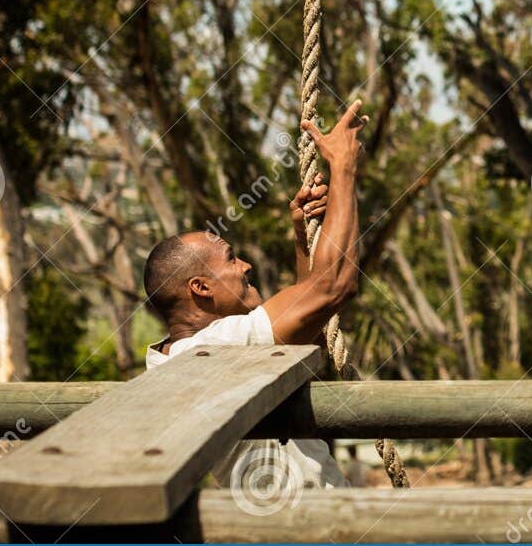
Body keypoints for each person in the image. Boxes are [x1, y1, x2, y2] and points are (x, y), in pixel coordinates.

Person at [141, 101, 372, 495]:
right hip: (308, 540)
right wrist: (344, 168)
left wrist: (303, 240)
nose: (245, 265)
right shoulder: (211, 350)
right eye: (232, 258)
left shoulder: (174, 356)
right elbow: (335, 286)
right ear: (201, 288)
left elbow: (305, 337)